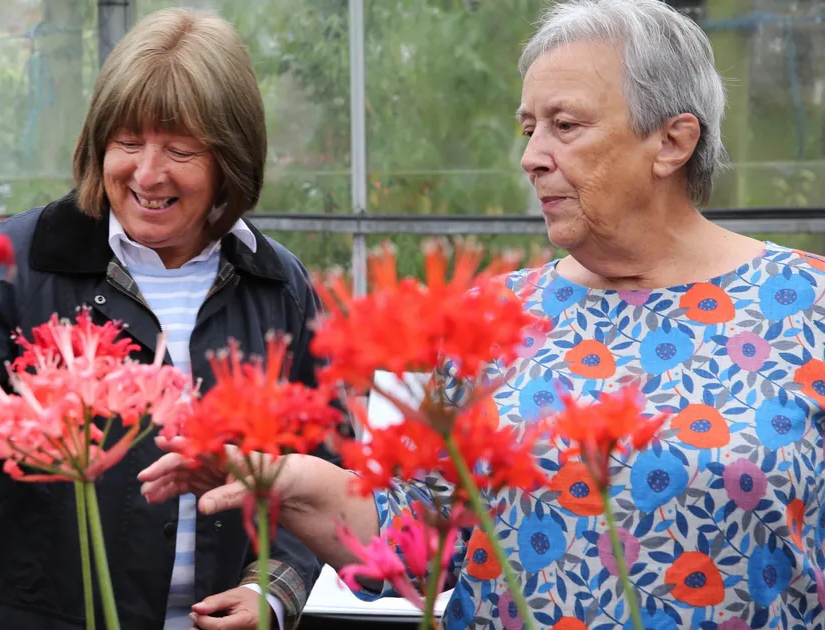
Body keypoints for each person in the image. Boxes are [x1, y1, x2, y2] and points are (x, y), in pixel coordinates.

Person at [139, 1, 825, 628]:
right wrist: (294, 483)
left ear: (672, 142)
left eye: (565, 126)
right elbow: (419, 538)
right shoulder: (492, 317)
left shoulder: (806, 306)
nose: (531, 158)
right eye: (529, 129)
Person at [0, 7, 333, 630]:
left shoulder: (277, 286)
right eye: (126, 142)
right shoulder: (16, 260)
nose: (147, 174)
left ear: (232, 157)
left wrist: (272, 589)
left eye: (180, 148)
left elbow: (320, 464)